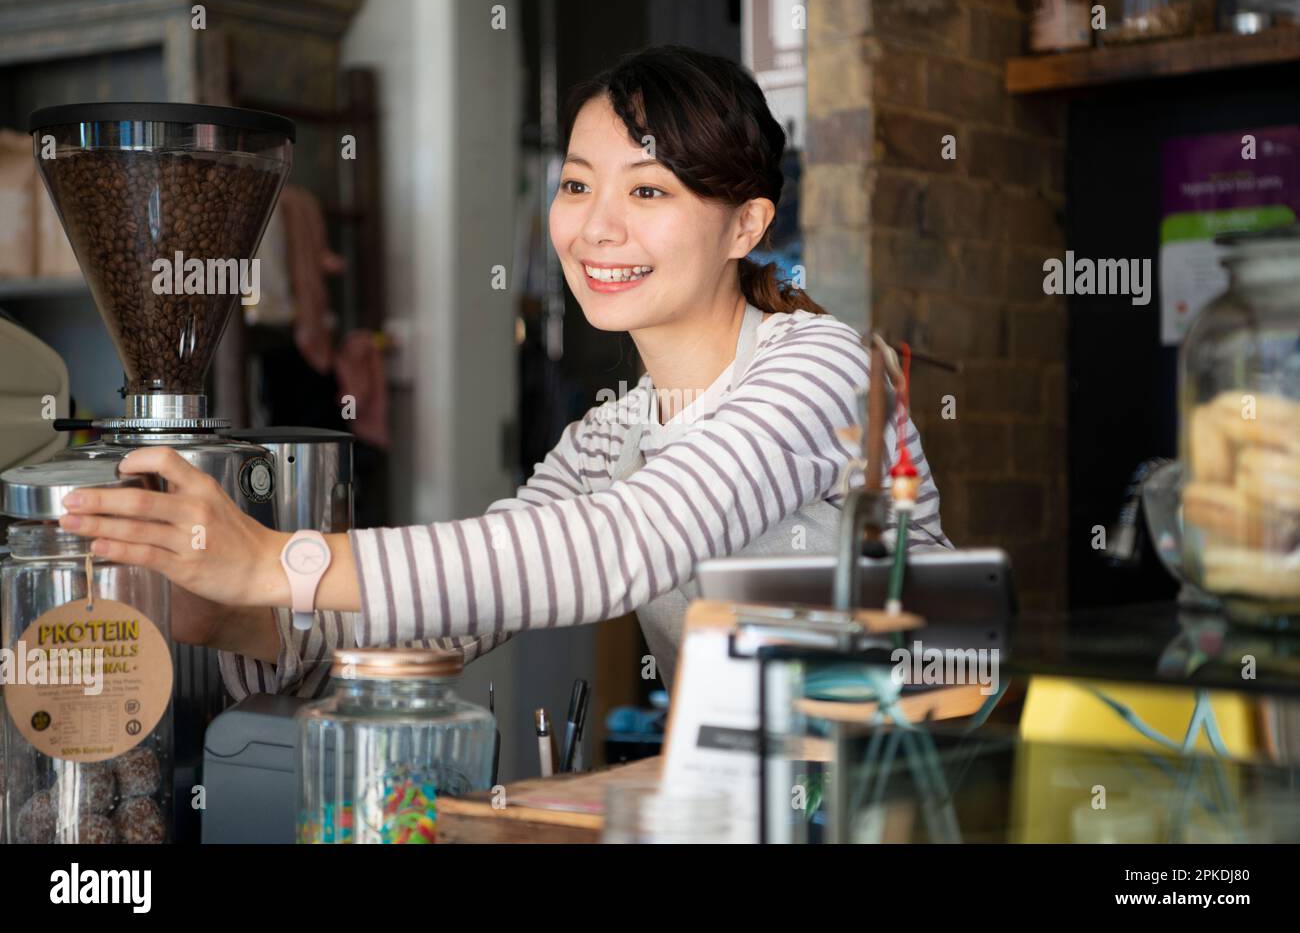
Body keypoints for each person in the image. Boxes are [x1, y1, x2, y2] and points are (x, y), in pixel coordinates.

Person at [58, 44, 951, 700]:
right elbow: (457, 613)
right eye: (575, 185)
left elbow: (627, 545)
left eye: (647, 191)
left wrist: (275, 561)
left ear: (747, 225)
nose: (596, 228)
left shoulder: (827, 368)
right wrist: (228, 618)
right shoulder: (610, 437)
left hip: (920, 793)